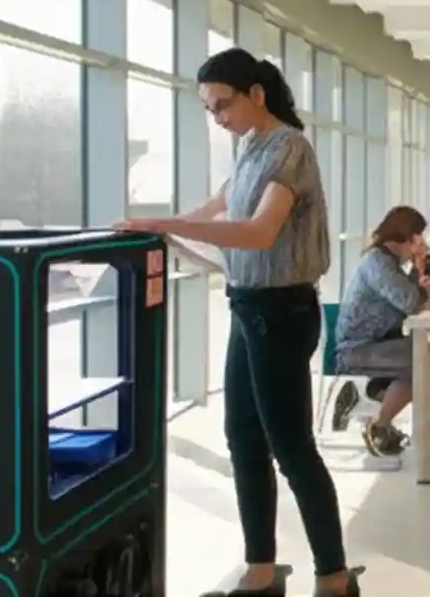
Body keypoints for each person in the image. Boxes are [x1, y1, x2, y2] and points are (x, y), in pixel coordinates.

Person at [117, 48, 356, 596]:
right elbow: (209, 213)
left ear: (257, 94)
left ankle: (334, 577)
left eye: (223, 104)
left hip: (282, 311)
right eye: (209, 109)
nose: (217, 117)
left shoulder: (289, 148)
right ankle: (261, 571)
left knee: (291, 448)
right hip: (248, 307)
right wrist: (152, 228)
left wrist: (163, 224)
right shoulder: (250, 150)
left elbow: (258, 232)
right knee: (244, 439)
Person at [334, 206, 430, 456]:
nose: (422, 242)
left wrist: (418, 268)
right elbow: (411, 302)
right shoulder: (378, 263)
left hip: (378, 343)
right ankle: (384, 424)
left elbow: (412, 297)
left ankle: (392, 418)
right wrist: (419, 269)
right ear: (408, 236)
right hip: (356, 349)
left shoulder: (389, 263)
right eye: (419, 236)